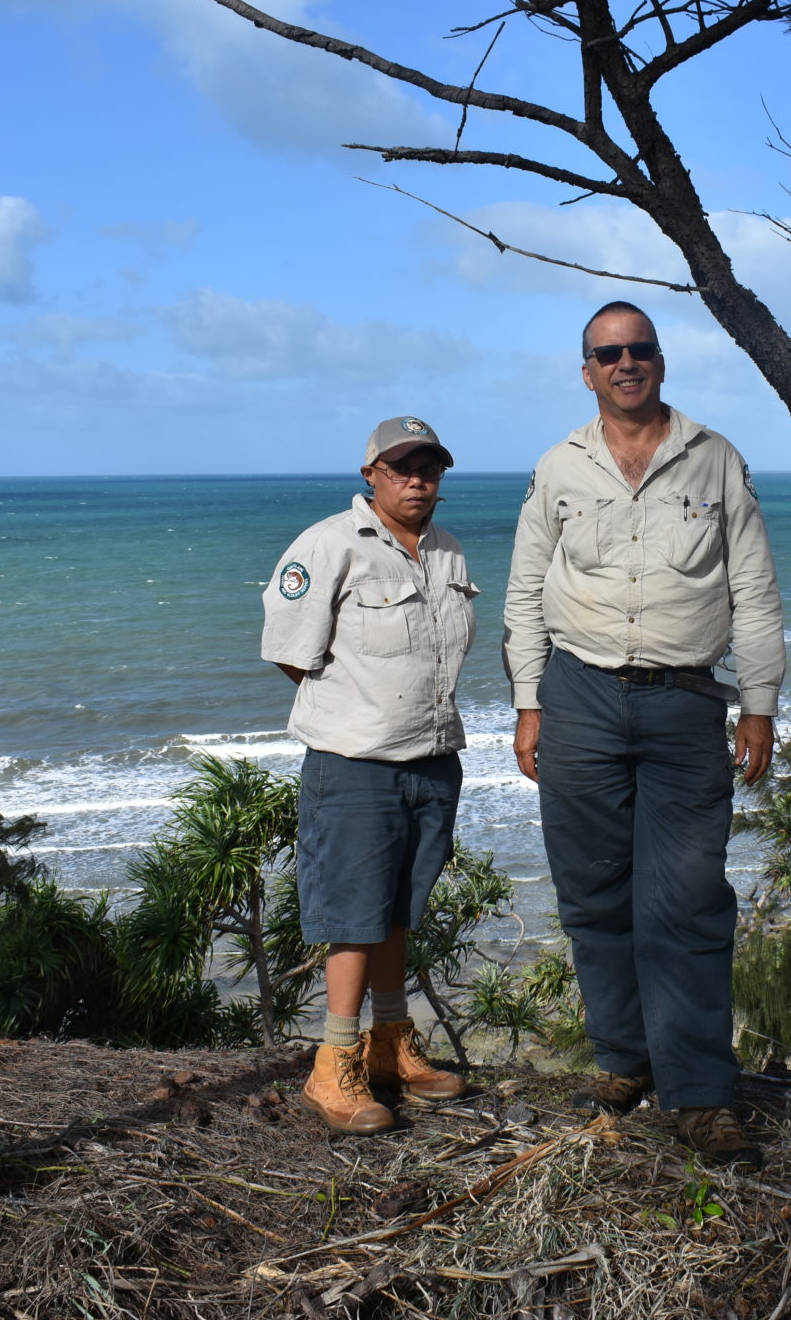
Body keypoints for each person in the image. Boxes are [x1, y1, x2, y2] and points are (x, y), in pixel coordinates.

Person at [504, 299, 785, 1168]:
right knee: (593, 895)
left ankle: (700, 1093)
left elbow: (756, 590)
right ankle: (623, 1061)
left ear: (661, 361)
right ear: (586, 371)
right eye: (607, 353)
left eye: (640, 349)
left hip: (683, 704)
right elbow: (522, 592)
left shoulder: (717, 459)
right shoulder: (559, 466)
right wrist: (528, 702)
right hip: (578, 697)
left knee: (688, 898)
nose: (626, 363)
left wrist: (762, 704)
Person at [262, 415, 478, 1134]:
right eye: (402, 466)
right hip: (354, 762)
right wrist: (356, 707)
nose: (418, 478)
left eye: (430, 467)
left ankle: (390, 1044)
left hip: (431, 756)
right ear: (372, 475)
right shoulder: (329, 545)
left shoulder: (446, 551)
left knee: (396, 910)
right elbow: (292, 649)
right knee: (352, 914)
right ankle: (334, 1064)